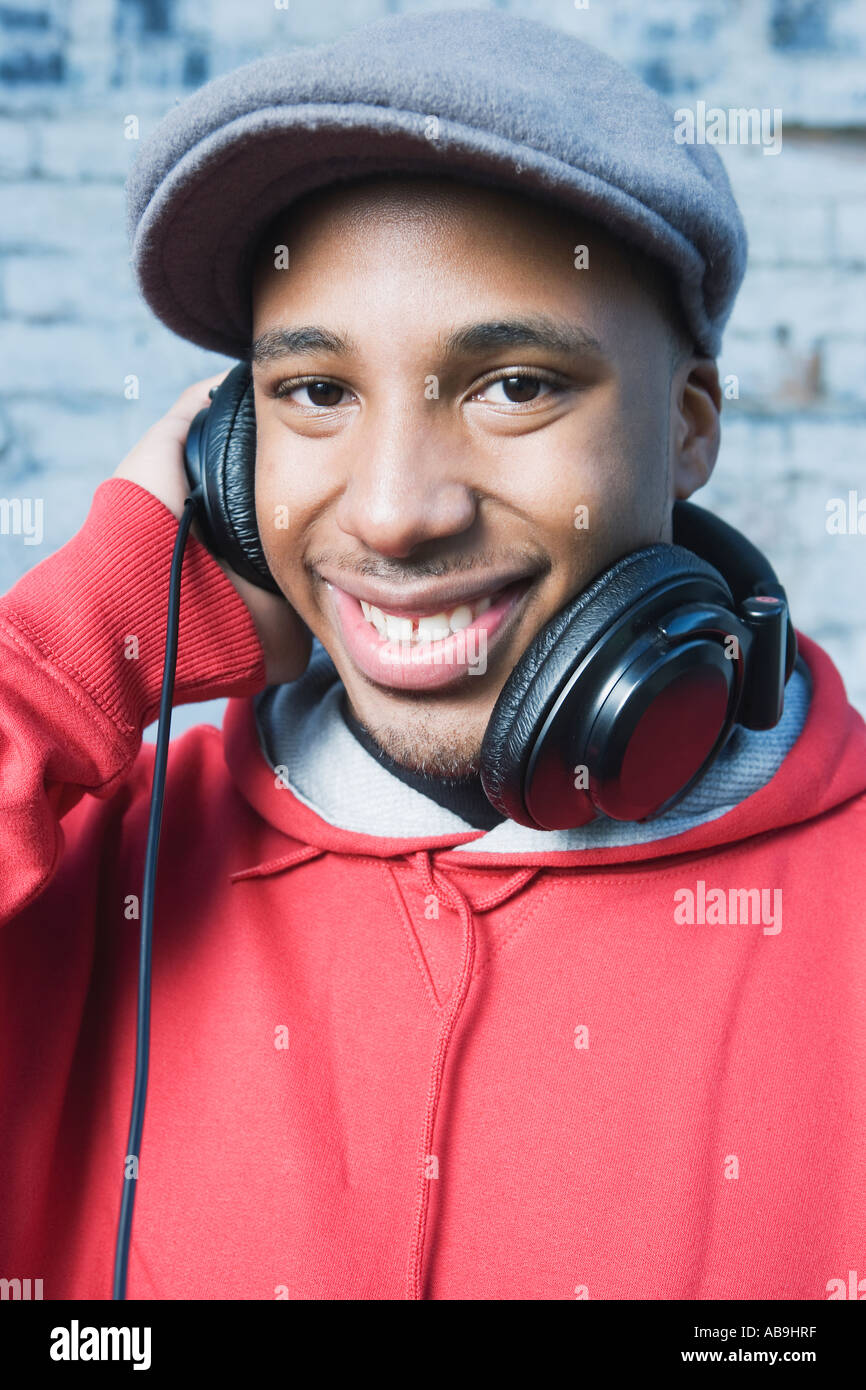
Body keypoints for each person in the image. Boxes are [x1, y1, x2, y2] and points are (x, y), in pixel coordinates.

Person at [1, 9, 864, 1302]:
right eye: (316, 393)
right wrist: (83, 642)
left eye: (514, 385)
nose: (396, 511)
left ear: (689, 427)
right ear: (229, 464)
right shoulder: (80, 865)